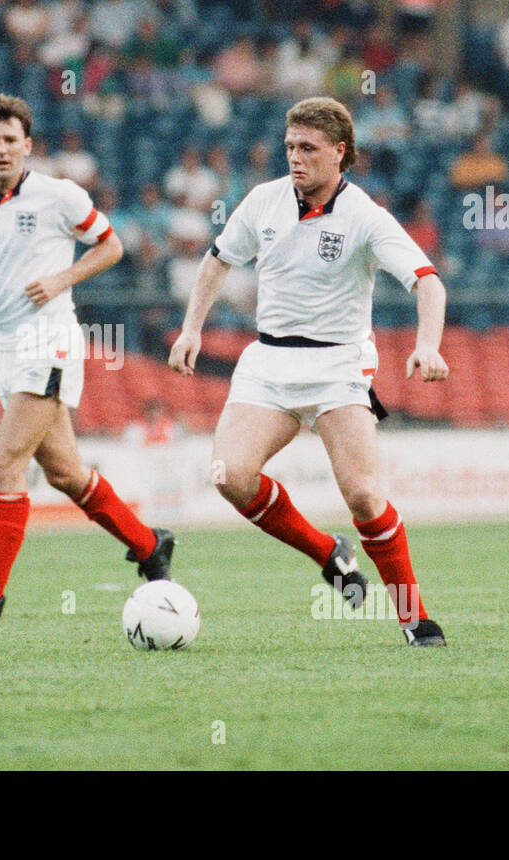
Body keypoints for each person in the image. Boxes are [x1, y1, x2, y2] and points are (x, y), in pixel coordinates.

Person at [167, 96, 449, 647]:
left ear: (339, 152)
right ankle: (329, 554)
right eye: (290, 146)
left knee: (364, 497)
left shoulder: (366, 216)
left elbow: (427, 281)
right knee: (230, 476)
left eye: (309, 149)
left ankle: (414, 619)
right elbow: (218, 259)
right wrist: (192, 328)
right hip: (269, 361)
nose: (296, 158)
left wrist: (429, 345)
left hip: (338, 363)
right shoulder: (263, 200)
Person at [0, 94, 174, 619]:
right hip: (4, 344)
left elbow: (111, 247)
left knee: (3, 462)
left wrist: (63, 278)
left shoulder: (58, 196)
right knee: (66, 474)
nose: (1, 149)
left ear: (28, 146)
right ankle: (149, 544)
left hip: (50, 338)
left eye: (10, 140)